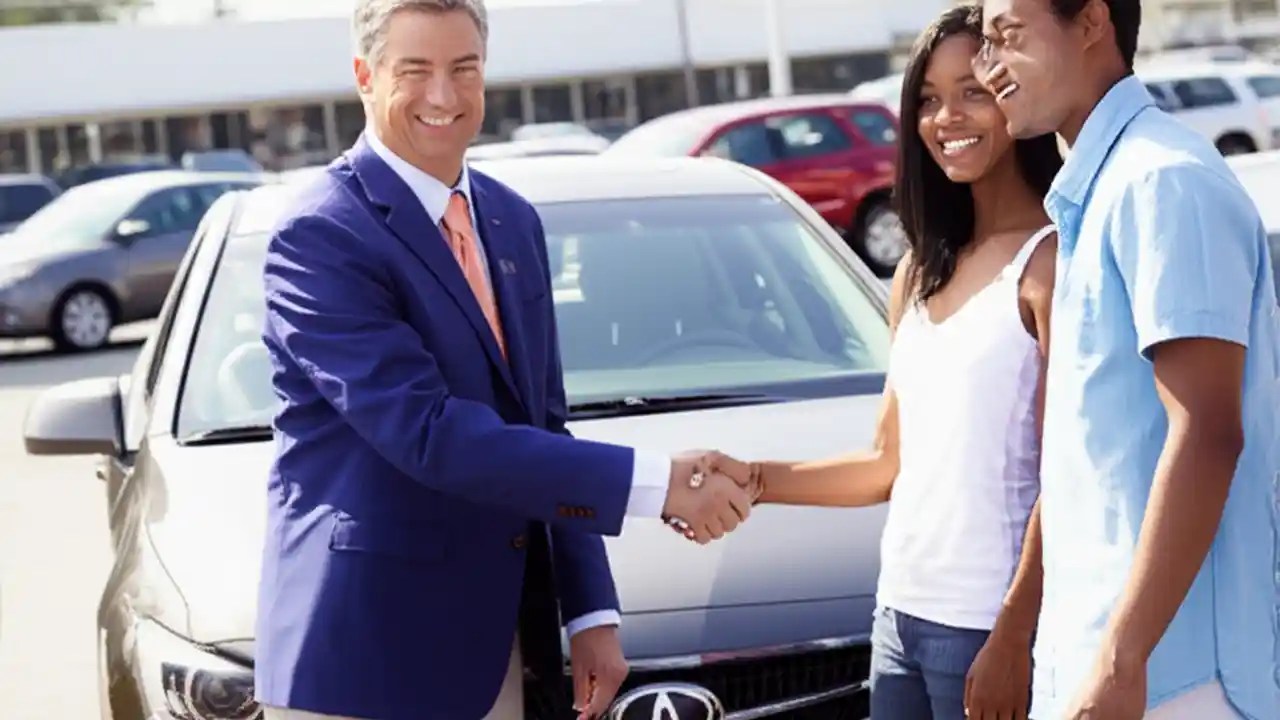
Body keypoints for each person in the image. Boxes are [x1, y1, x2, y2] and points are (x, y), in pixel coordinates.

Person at [253, 2, 755, 719]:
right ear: (365, 76)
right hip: (366, 659)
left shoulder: (511, 219)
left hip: (496, 654)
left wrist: (589, 613)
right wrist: (658, 484)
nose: (444, 96)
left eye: (464, 69)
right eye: (415, 71)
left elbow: (541, 423)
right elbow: (428, 432)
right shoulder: (322, 235)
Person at [700, 5, 1063, 718]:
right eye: (928, 99)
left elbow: (1066, 480)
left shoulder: (1048, 266)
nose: (947, 117)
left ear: (1011, 96)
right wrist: (755, 479)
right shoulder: (917, 273)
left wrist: (1017, 634)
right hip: (897, 618)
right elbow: (885, 465)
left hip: (988, 625)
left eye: (973, 91)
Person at [972, 0, 1280, 718]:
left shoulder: (1162, 180)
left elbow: (1207, 431)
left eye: (1007, 38)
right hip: (1112, 665)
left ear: (1090, 23)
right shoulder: (1102, 188)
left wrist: (1123, 658)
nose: (990, 70)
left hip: (1177, 682)